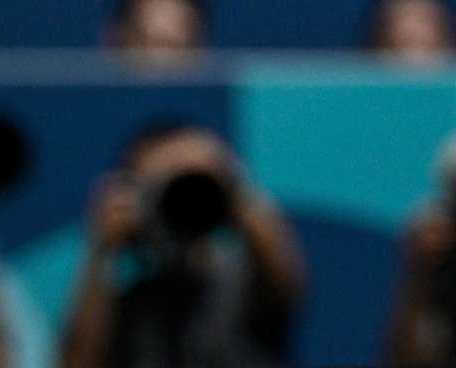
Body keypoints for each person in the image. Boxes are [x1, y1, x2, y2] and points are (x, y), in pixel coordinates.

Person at [59, 124, 305, 368]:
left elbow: (286, 280)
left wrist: (232, 186)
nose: (186, 199)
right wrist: (100, 250)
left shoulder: (245, 279)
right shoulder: (126, 303)